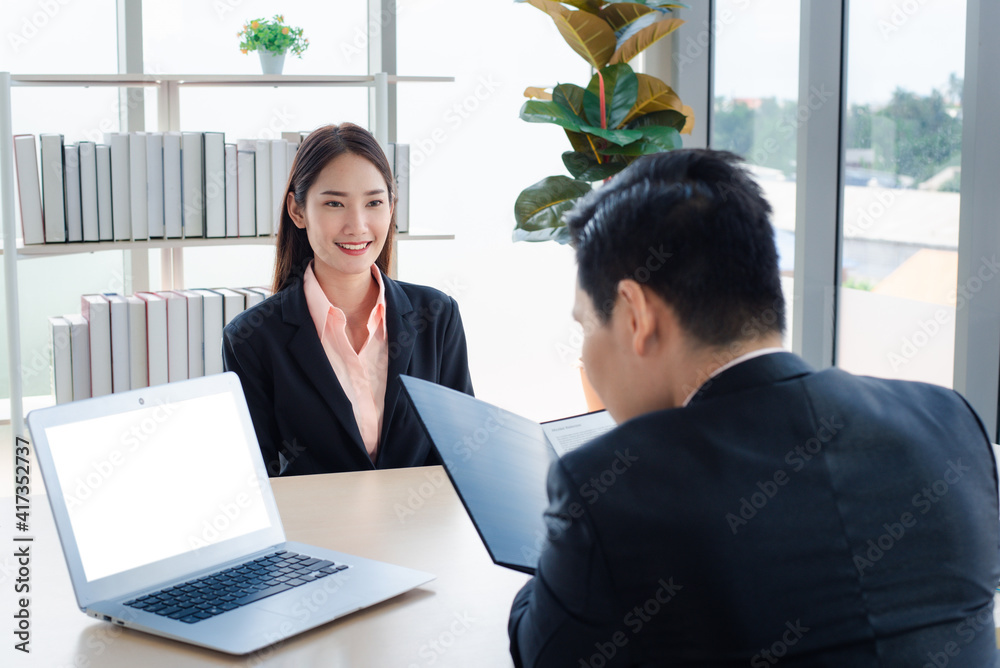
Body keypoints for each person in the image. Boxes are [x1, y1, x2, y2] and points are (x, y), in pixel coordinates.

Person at [508, 149, 1000, 666]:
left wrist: (562, 551)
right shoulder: (949, 424)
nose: (585, 351)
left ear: (636, 314)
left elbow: (541, 651)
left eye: (585, 325)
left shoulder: (616, 491)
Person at [223, 123, 473, 475]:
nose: (356, 225)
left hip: (421, 528)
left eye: (373, 202)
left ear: (391, 207)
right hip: (314, 531)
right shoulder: (253, 338)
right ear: (298, 211)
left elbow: (462, 458)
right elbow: (257, 482)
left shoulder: (437, 316)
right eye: (334, 203)